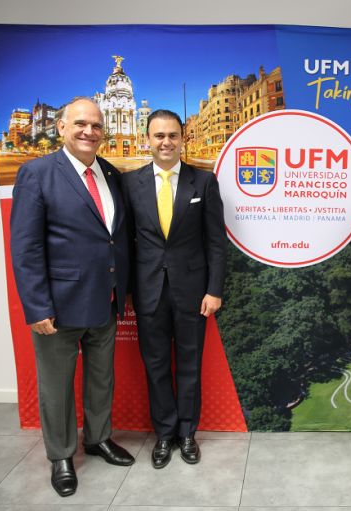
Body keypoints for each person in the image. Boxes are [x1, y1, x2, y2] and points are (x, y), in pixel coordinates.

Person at [10, 96, 134, 498]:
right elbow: (25, 247)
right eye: (80, 123)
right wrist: (36, 307)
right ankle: (61, 456)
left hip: (106, 300)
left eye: (96, 125)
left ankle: (97, 439)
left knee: (101, 378)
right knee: (56, 385)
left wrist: (124, 290)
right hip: (58, 307)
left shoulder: (111, 173)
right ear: (62, 127)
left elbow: (114, 237)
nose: (89, 131)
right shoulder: (37, 173)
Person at [121, 109, 227, 469]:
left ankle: (187, 434)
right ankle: (164, 435)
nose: (166, 142)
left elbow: (216, 242)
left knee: (189, 366)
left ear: (183, 139)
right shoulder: (130, 183)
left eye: (172, 135)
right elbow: (124, 242)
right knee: (156, 366)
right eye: (159, 135)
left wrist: (215, 289)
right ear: (147, 140)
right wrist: (126, 290)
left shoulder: (204, 181)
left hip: (194, 292)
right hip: (147, 290)